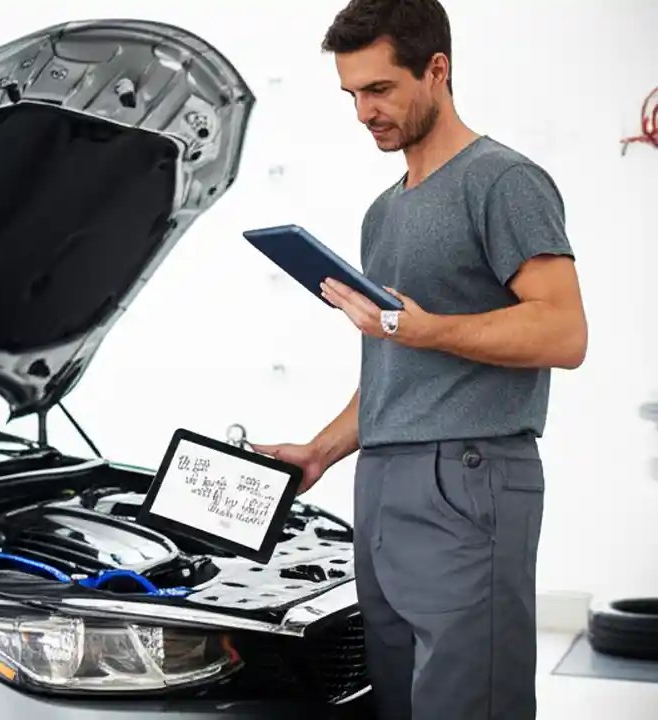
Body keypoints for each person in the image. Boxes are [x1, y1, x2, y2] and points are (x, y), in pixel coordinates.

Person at [251, 1, 588, 719]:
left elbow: (564, 333)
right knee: (397, 702)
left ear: (437, 70)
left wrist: (423, 327)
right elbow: (393, 371)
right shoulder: (384, 211)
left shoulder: (503, 181)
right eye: (351, 95)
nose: (363, 113)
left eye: (379, 90)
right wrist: (321, 451)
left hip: (468, 479)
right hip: (382, 482)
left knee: (468, 703)